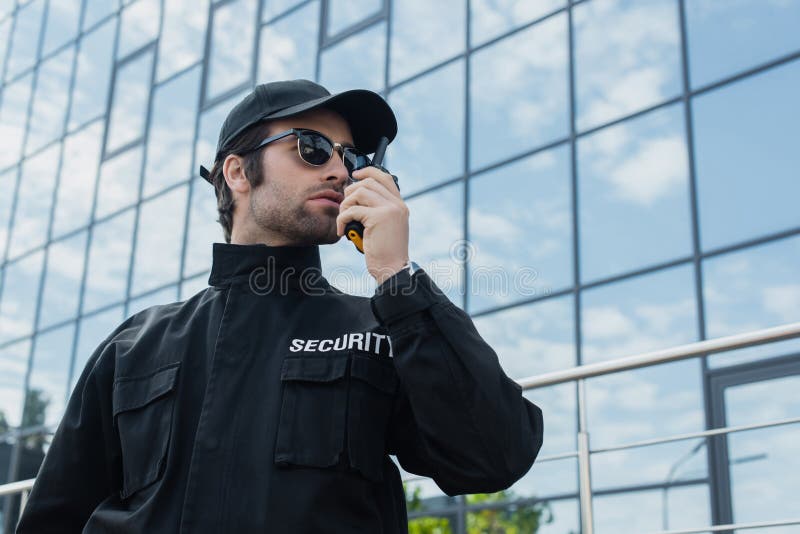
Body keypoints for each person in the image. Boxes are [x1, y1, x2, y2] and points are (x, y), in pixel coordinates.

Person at [17, 79, 544, 533]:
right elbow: (54, 518)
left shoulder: (384, 328)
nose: (341, 170)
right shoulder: (136, 344)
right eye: (313, 147)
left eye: (352, 157)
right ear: (238, 174)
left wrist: (397, 279)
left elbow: (495, 457)